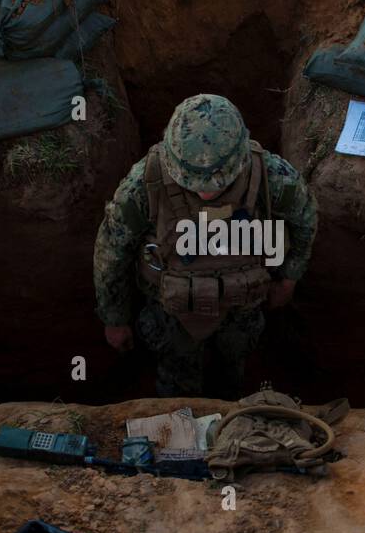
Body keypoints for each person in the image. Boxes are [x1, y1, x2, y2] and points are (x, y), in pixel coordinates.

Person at [93, 94, 318, 397]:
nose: (206, 193)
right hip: (171, 315)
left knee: (234, 377)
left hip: (242, 308)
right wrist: (115, 318)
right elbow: (111, 251)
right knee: (176, 385)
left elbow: (305, 220)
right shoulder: (145, 184)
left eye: (217, 183)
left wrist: (289, 278)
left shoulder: (272, 177)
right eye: (194, 183)